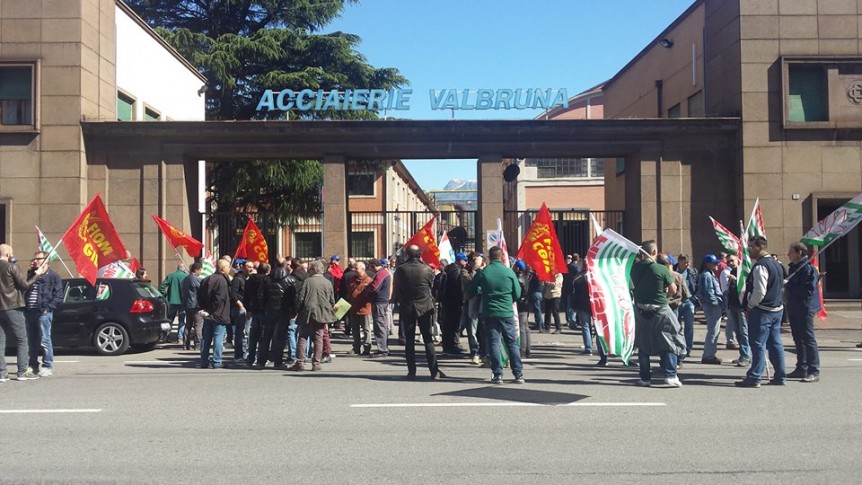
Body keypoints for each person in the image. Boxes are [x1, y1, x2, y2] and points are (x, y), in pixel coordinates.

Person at [630, 241, 686, 387]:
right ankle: (670, 375)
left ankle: (645, 378)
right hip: (660, 309)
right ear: (654, 252)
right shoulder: (661, 269)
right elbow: (673, 290)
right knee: (671, 340)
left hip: (641, 309)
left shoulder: (634, 269)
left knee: (643, 343)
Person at [736, 236, 787, 388]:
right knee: (775, 343)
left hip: (763, 310)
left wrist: (750, 306)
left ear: (760, 247)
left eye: (751, 246)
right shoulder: (777, 264)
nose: (749, 249)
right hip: (776, 309)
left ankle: (755, 377)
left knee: (758, 344)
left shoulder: (761, 266)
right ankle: (780, 376)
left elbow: (759, 291)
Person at [470, 246, 523, 384]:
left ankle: (497, 374)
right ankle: (518, 373)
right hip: (506, 312)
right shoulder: (509, 272)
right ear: (500, 257)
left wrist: (482, 291)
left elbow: (471, 289)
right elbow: (517, 293)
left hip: (490, 311)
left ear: (489, 257)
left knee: (493, 342)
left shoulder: (484, 272)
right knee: (511, 343)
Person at [393, 245, 446, 380]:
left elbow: (397, 289)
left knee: (409, 340)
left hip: (407, 306)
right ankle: (434, 371)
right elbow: (431, 287)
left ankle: (412, 371)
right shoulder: (427, 269)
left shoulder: (400, 270)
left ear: (408, 255)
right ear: (419, 255)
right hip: (424, 306)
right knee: (428, 339)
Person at [0, 244, 47, 381]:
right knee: (22, 339)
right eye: (12, 253)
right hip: (13, 306)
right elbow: (24, 285)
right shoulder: (11, 267)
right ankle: (22, 371)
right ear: (8, 254)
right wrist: (37, 274)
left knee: (0, 341)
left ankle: (2, 373)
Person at [290, 260, 336, 371]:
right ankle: (316, 363)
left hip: (308, 312)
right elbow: (332, 300)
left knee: (303, 337)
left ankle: (300, 362)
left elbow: (301, 298)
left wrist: (297, 311)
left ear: (314, 270)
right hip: (322, 313)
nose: (308, 271)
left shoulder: (307, 281)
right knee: (318, 338)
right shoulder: (327, 282)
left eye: (310, 269)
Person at [785, 241, 821, 382]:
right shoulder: (795, 268)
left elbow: (808, 290)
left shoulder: (808, 269)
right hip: (794, 307)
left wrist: (790, 285)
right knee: (798, 339)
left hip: (805, 308)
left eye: (791, 252)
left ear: (799, 253)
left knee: (808, 339)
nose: (788, 254)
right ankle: (802, 367)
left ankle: (814, 369)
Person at [23, 251, 62, 377]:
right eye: (34, 259)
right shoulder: (32, 274)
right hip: (30, 311)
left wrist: (48, 307)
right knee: (32, 340)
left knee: (45, 340)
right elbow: (25, 289)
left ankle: (47, 365)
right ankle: (33, 365)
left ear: (46, 261)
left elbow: (58, 296)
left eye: (38, 259)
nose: (35, 261)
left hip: (43, 312)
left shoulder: (53, 276)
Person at [256, 264, 296, 369]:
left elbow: (260, 295)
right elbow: (294, 297)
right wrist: (294, 311)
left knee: (266, 336)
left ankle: (261, 361)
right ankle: (278, 361)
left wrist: (264, 307)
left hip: (270, 311)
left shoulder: (266, 279)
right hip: (284, 311)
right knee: (281, 337)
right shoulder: (291, 280)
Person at [197, 259, 232, 369]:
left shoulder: (207, 279)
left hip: (208, 313)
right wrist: (210, 310)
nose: (229, 269)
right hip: (218, 314)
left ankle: (204, 361)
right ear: (222, 269)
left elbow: (199, 295)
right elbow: (219, 299)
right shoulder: (222, 281)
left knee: (206, 339)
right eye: (228, 267)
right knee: (218, 338)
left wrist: (204, 309)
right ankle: (217, 361)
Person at [696, 254, 724, 365]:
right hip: (712, 306)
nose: (717, 264)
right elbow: (709, 293)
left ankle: (710, 354)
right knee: (713, 331)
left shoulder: (710, 274)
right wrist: (717, 304)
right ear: (708, 264)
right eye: (714, 263)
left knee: (714, 331)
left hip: (713, 305)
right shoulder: (707, 276)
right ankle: (708, 355)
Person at [724, 255, 751, 367]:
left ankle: (746, 356)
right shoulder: (732, 272)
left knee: (744, 332)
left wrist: (736, 280)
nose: (730, 263)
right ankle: (743, 354)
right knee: (738, 332)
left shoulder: (745, 272)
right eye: (728, 261)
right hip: (733, 305)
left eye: (732, 260)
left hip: (742, 306)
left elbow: (747, 287)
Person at [438, 253, 466, 354]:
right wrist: (462, 300)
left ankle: (447, 345)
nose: (466, 262)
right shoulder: (457, 272)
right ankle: (452, 345)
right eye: (465, 260)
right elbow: (459, 288)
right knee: (454, 325)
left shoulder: (448, 270)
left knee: (448, 324)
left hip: (446, 301)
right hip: (455, 302)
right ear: (460, 261)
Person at [345, 261, 374, 357]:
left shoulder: (368, 280)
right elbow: (348, 291)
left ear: (362, 269)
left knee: (366, 329)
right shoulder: (352, 279)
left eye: (356, 268)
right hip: (353, 307)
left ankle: (367, 347)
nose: (354, 270)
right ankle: (356, 347)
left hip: (364, 308)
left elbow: (370, 294)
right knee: (355, 329)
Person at [229, 260, 253, 364]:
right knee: (241, 333)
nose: (251, 269)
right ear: (242, 267)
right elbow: (233, 294)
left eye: (252, 267)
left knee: (246, 333)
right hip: (240, 309)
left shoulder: (249, 279)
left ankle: (245, 354)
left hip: (247, 309)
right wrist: (241, 305)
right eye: (248, 267)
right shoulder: (237, 279)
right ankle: (239, 355)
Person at [368, 259, 393, 357]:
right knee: (382, 325)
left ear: (373, 266)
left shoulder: (381, 273)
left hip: (380, 302)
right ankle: (384, 347)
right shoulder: (383, 272)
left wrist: (367, 287)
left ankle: (382, 349)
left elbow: (375, 287)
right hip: (382, 301)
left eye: (370, 267)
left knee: (380, 326)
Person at [675, 253, 698, 358]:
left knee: (689, 327)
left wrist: (695, 299)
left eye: (687, 262)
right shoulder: (673, 271)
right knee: (677, 326)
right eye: (684, 262)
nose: (686, 264)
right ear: (679, 261)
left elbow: (697, 285)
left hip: (689, 301)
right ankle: (679, 347)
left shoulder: (692, 272)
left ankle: (688, 348)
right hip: (677, 301)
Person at [159, 263, 188, 343]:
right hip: (183, 301)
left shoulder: (171, 275)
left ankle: (166, 337)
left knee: (169, 320)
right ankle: (180, 338)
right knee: (181, 320)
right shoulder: (186, 276)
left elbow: (162, 286)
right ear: (184, 269)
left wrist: (164, 295)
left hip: (171, 300)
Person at [181, 262, 204, 350]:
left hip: (187, 305)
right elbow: (201, 290)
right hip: (196, 306)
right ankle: (197, 344)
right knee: (198, 326)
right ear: (196, 270)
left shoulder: (185, 279)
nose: (201, 272)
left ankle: (185, 344)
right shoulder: (196, 279)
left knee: (188, 325)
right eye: (200, 270)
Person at [513, 260, 531, 358]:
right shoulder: (525, 277)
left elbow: (518, 293)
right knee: (526, 328)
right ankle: (528, 349)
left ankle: (523, 350)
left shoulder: (519, 278)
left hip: (521, 305)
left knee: (522, 328)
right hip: (525, 305)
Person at [562, 254, 578, 329]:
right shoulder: (572, 267)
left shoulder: (570, 267)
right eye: (567, 258)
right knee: (570, 306)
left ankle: (571, 321)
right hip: (570, 289)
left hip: (570, 288)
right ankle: (571, 321)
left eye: (570, 258)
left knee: (570, 306)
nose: (568, 259)